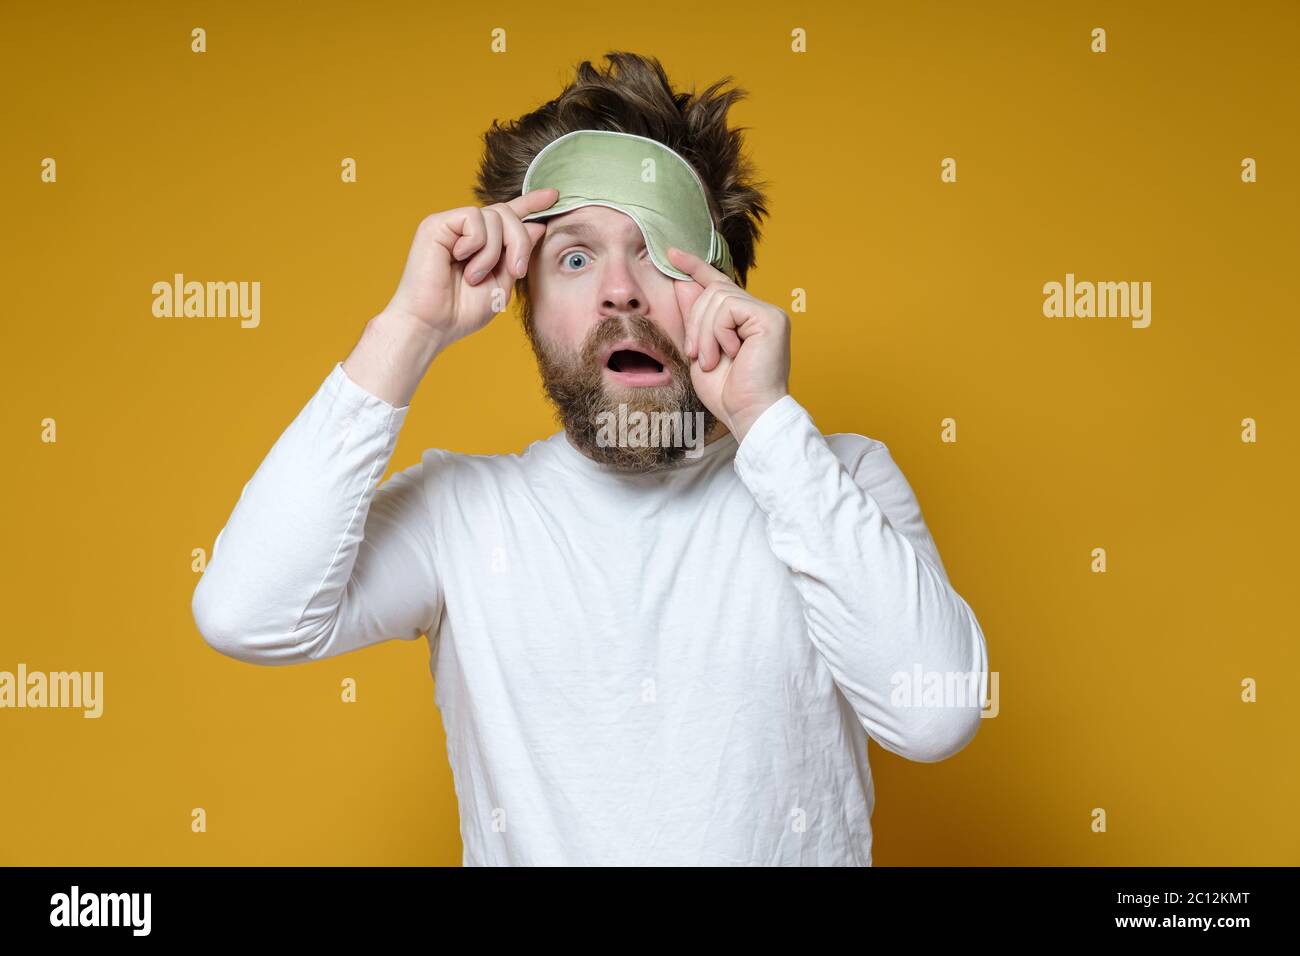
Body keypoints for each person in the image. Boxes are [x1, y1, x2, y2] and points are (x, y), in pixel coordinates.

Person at [191, 51, 989, 866]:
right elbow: (246, 613)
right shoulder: (462, 515)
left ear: (724, 288)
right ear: (525, 303)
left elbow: (937, 717)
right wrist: (410, 327)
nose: (620, 290)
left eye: (654, 251)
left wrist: (765, 420)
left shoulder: (836, 478)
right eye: (574, 257)